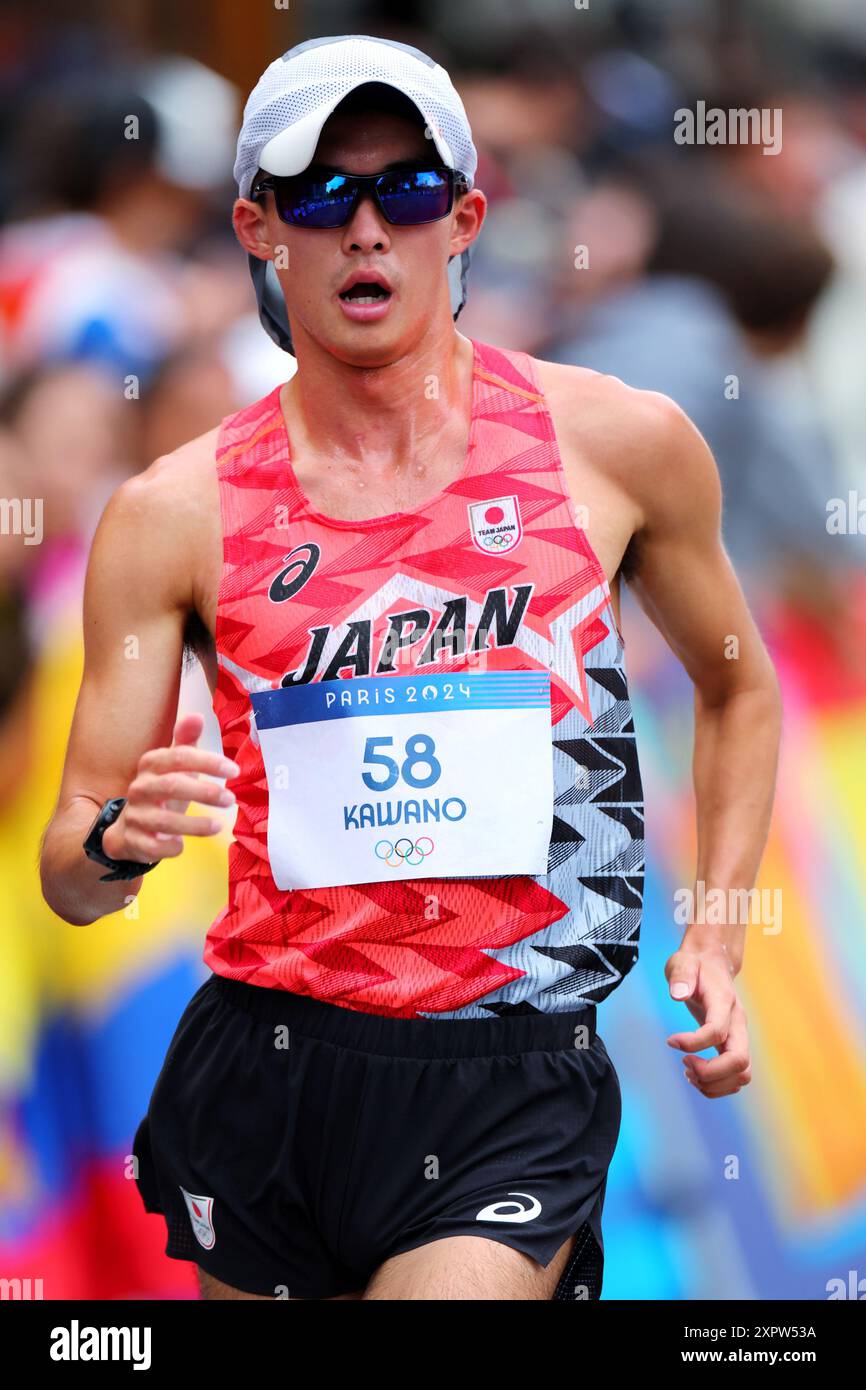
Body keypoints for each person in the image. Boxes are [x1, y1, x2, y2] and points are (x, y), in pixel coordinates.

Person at [39, 35, 781, 1301]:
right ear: (258, 229)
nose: (366, 228)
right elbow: (68, 866)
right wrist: (118, 841)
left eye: (408, 192)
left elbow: (737, 686)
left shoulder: (613, 444)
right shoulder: (173, 512)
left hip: (511, 1075)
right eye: (321, 194)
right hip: (268, 1069)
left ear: (466, 218)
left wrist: (716, 932)